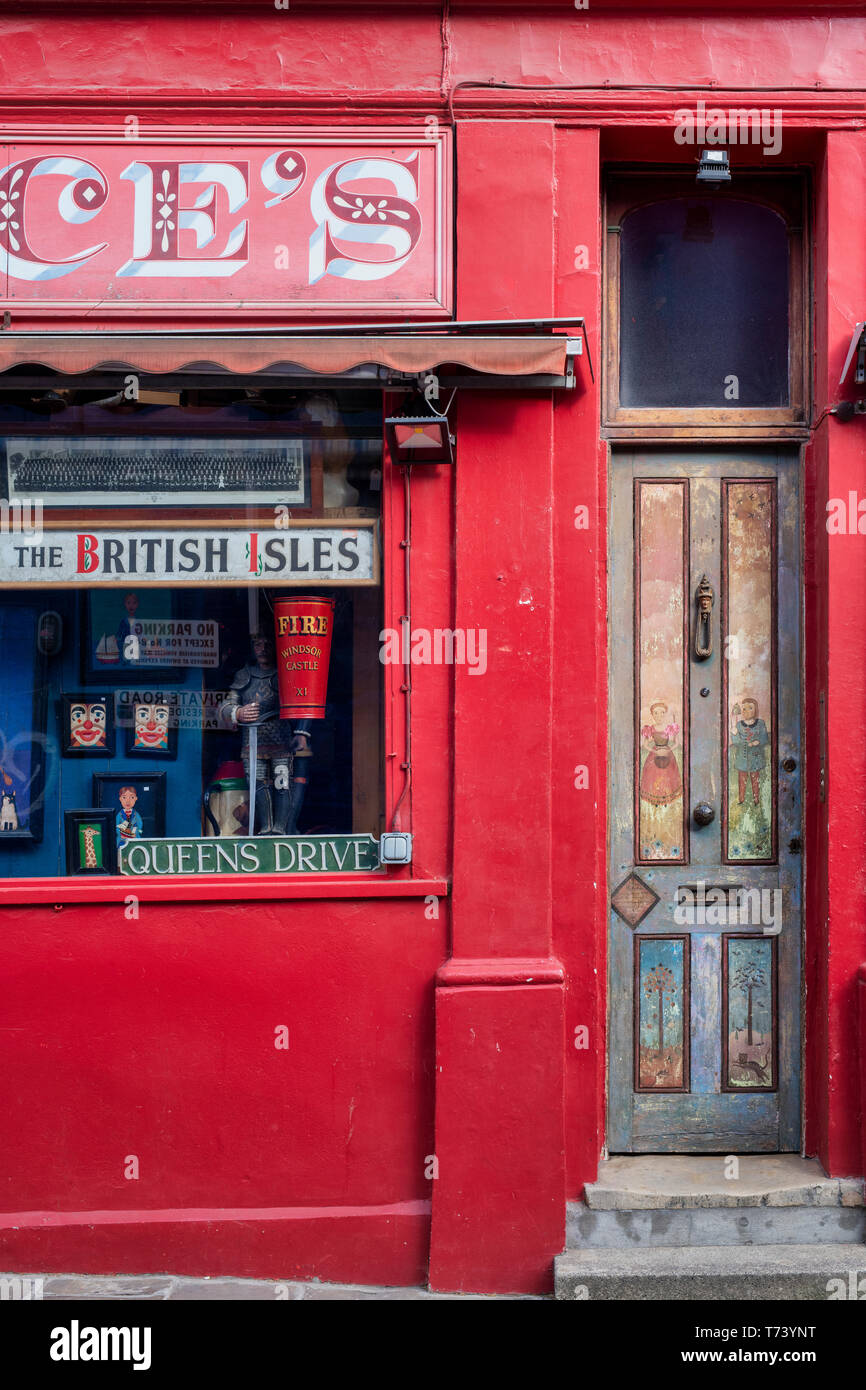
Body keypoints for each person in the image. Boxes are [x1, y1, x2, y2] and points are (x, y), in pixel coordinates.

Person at [219, 631, 312, 835]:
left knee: (282, 783)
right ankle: (266, 827)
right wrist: (238, 712)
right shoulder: (244, 675)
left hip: (280, 736)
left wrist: (301, 732)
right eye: (258, 644)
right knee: (258, 784)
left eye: (267, 643)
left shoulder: (286, 673)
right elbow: (226, 704)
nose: (262, 648)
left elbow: (305, 702)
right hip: (253, 740)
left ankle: (280, 827)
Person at [639, 700, 682, 805]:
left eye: (661, 713)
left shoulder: (669, 728)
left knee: (668, 775)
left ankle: (667, 798)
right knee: (653, 775)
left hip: (667, 754)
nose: (659, 716)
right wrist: (654, 751)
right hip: (655, 754)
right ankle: (655, 799)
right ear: (652, 715)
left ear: (664, 714)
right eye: (656, 714)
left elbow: (676, 743)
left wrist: (668, 750)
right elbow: (645, 744)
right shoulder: (651, 729)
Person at [731, 698, 769, 806]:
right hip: (742, 758)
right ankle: (741, 799)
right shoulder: (738, 725)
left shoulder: (760, 723)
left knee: (755, 778)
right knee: (742, 779)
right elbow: (736, 742)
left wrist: (758, 741)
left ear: (756, 710)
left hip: (755, 757)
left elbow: (765, 738)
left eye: (750, 708)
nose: (746, 711)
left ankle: (756, 799)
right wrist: (734, 734)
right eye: (744, 709)